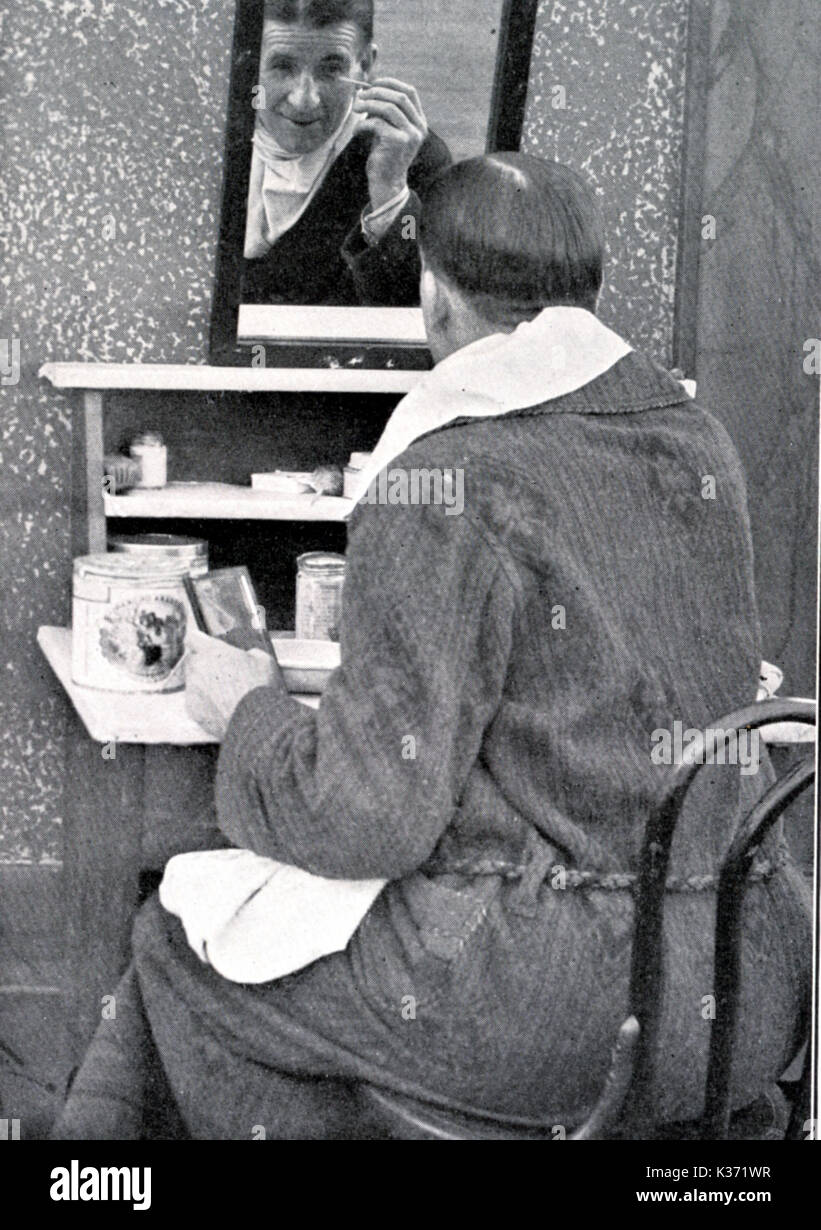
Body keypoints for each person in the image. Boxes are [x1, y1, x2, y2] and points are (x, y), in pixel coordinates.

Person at [53, 155, 810, 1140]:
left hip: (561, 1005)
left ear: (434, 300)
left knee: (176, 942)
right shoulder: (696, 442)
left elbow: (364, 819)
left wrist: (244, 707)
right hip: (745, 987)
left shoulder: (446, 476)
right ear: (587, 290)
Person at [241, 0, 451, 308]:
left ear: (365, 66)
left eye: (331, 70)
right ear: (248, 61)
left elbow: (426, 316)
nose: (304, 100)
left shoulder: (413, 158)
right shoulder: (213, 136)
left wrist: (391, 194)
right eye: (282, 66)